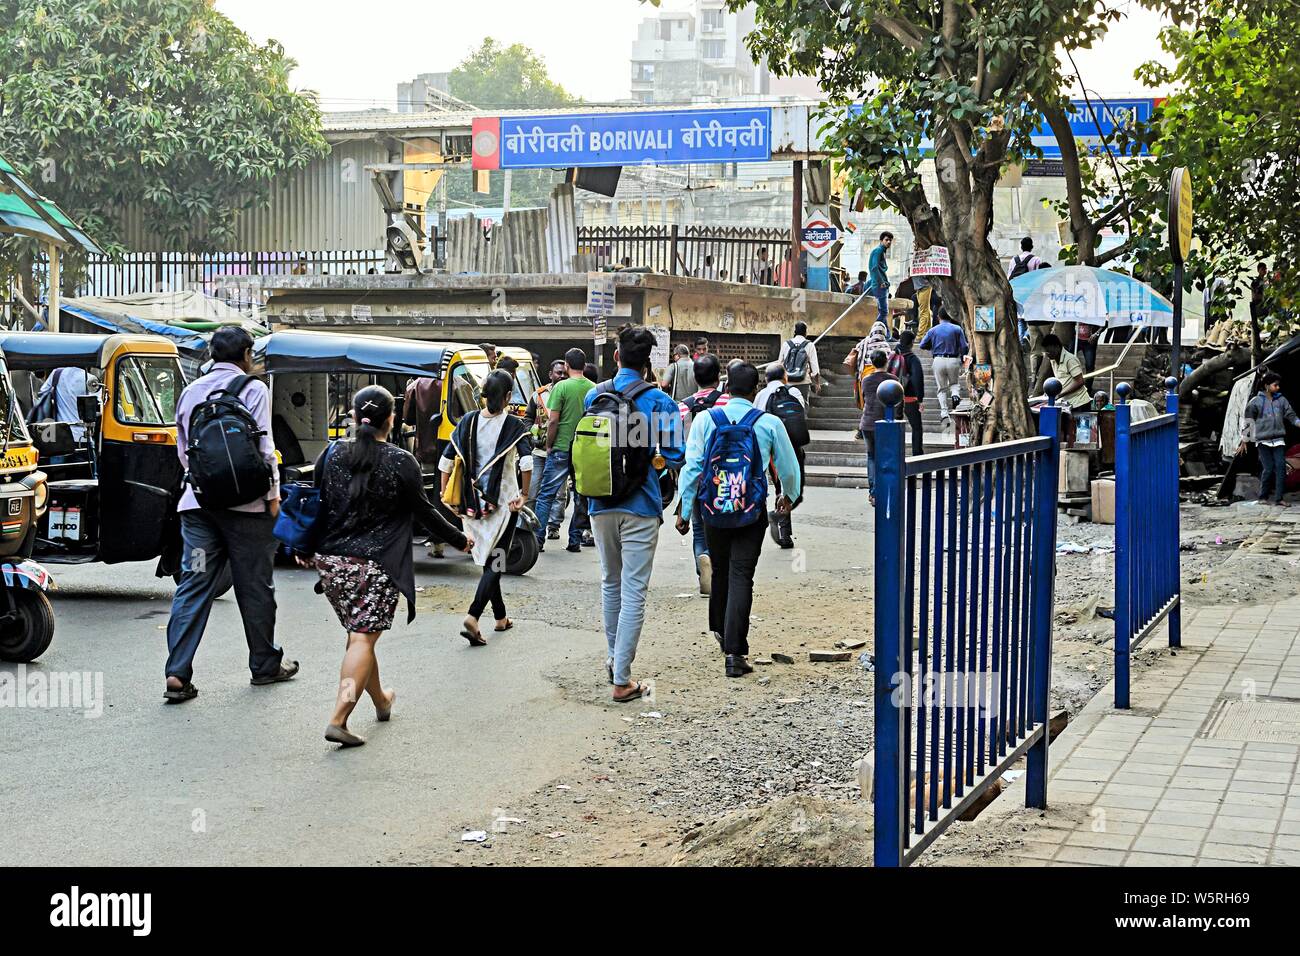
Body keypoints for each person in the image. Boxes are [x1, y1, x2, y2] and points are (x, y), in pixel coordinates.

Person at [314, 386, 472, 747]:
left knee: (360, 636)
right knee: (362, 638)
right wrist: (459, 539)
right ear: (393, 419)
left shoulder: (332, 452)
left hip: (331, 562)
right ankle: (338, 718)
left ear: (353, 418)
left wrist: (305, 546)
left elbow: (316, 501)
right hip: (375, 564)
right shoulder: (402, 461)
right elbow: (424, 511)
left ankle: (381, 700)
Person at [163, 327, 296, 704]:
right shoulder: (254, 390)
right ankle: (264, 665)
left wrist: (206, 485)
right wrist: (273, 497)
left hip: (199, 510)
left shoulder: (191, 392)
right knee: (255, 586)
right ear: (247, 354)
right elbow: (266, 448)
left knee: (194, 584)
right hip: (249, 513)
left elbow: (185, 451)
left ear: (211, 354)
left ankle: (177, 673)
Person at [678, 362, 800, 678]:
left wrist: (684, 509)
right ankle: (735, 654)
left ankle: (719, 627)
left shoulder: (705, 420)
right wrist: (788, 496)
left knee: (719, 569)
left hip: (713, 509)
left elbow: (692, 468)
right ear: (755, 388)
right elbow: (788, 468)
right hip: (750, 511)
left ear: (727, 387)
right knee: (741, 574)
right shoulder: (769, 422)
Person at [585, 326, 686, 702]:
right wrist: (655, 457)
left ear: (616, 358)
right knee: (634, 591)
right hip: (641, 506)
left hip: (598, 504)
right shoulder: (659, 402)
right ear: (647, 364)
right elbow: (676, 455)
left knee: (610, 582)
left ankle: (615, 662)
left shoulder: (595, 395)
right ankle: (621, 679)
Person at [440, 370, 533, 645]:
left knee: (488, 561)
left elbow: (446, 462)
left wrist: (448, 498)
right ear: (507, 397)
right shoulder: (514, 426)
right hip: (504, 505)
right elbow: (526, 463)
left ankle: (501, 618)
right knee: (497, 561)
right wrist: (525, 494)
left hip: (470, 506)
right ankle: (473, 616)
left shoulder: (467, 422)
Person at [532, 348, 594, 553]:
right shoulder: (595, 389)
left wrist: (549, 445)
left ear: (566, 366)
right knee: (580, 495)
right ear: (584, 366)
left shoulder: (561, 387)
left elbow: (553, 421)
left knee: (546, 495)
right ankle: (574, 540)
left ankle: (538, 540)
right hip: (584, 450)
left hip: (560, 448)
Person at [679, 354, 731, 594]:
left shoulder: (682, 407)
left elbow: (677, 447)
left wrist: (683, 506)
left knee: (699, 529)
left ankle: (704, 570)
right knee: (724, 528)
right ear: (718, 376)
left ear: (694, 377)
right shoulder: (729, 402)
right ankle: (722, 571)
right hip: (727, 477)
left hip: (697, 478)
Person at [756, 363, 807, 548]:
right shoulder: (794, 393)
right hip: (792, 446)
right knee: (794, 491)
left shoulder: (761, 396)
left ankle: (783, 528)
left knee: (782, 486)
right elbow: (802, 416)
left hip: (770, 450)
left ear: (766, 378)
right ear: (785, 377)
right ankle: (780, 525)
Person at [1244, 373, 1299, 505]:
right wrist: (1245, 439)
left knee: (1281, 468)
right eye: (1275, 385)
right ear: (1266, 386)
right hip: (1263, 441)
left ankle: (1279, 498)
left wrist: (1298, 422)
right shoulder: (1255, 402)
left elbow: (1291, 415)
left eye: (1278, 385)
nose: (1278, 387)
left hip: (1278, 440)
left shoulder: (1281, 401)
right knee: (1268, 469)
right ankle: (1263, 497)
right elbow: (1249, 421)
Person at [858, 350, 898, 505]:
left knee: (871, 457)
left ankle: (874, 492)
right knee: (886, 456)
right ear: (886, 362)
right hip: (886, 423)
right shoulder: (893, 380)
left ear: (872, 363)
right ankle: (887, 488)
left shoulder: (866, 380)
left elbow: (863, 398)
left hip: (867, 422)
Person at [918, 310, 969, 429]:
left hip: (938, 359)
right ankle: (955, 396)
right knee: (954, 384)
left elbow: (922, 345)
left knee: (941, 388)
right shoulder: (957, 329)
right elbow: (964, 346)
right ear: (950, 316)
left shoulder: (933, 330)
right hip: (953, 360)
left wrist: (933, 346)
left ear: (938, 317)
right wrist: (963, 358)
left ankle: (944, 412)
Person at [31, 365, 93, 444]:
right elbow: (100, 407)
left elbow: (42, 394)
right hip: (82, 436)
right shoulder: (91, 380)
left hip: (58, 436)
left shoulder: (56, 373)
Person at [890, 331, 926, 456]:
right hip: (909, 398)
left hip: (893, 398)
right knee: (916, 428)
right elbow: (917, 379)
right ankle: (917, 455)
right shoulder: (912, 358)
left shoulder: (891, 356)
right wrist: (920, 399)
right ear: (911, 343)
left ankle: (895, 453)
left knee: (895, 427)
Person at [1041, 333, 1092, 412]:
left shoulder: (1070, 359)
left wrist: (1060, 394)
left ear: (1057, 347)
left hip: (1080, 403)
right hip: (1066, 403)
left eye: (1049, 352)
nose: (1047, 355)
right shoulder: (1053, 360)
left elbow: (1080, 381)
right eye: (1045, 352)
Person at [777, 321, 822, 398]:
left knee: (788, 404)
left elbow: (779, 364)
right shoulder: (810, 345)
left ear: (795, 331)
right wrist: (817, 384)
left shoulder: (786, 344)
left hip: (788, 381)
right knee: (803, 405)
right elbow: (815, 368)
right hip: (803, 381)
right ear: (805, 332)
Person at [869, 232, 894, 329]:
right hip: (880, 285)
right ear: (881, 240)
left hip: (881, 285)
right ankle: (874, 332)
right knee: (884, 312)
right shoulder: (878, 251)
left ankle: (887, 336)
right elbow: (874, 268)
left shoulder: (881, 251)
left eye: (890, 240)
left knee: (883, 311)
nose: (888, 242)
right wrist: (881, 282)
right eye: (886, 240)